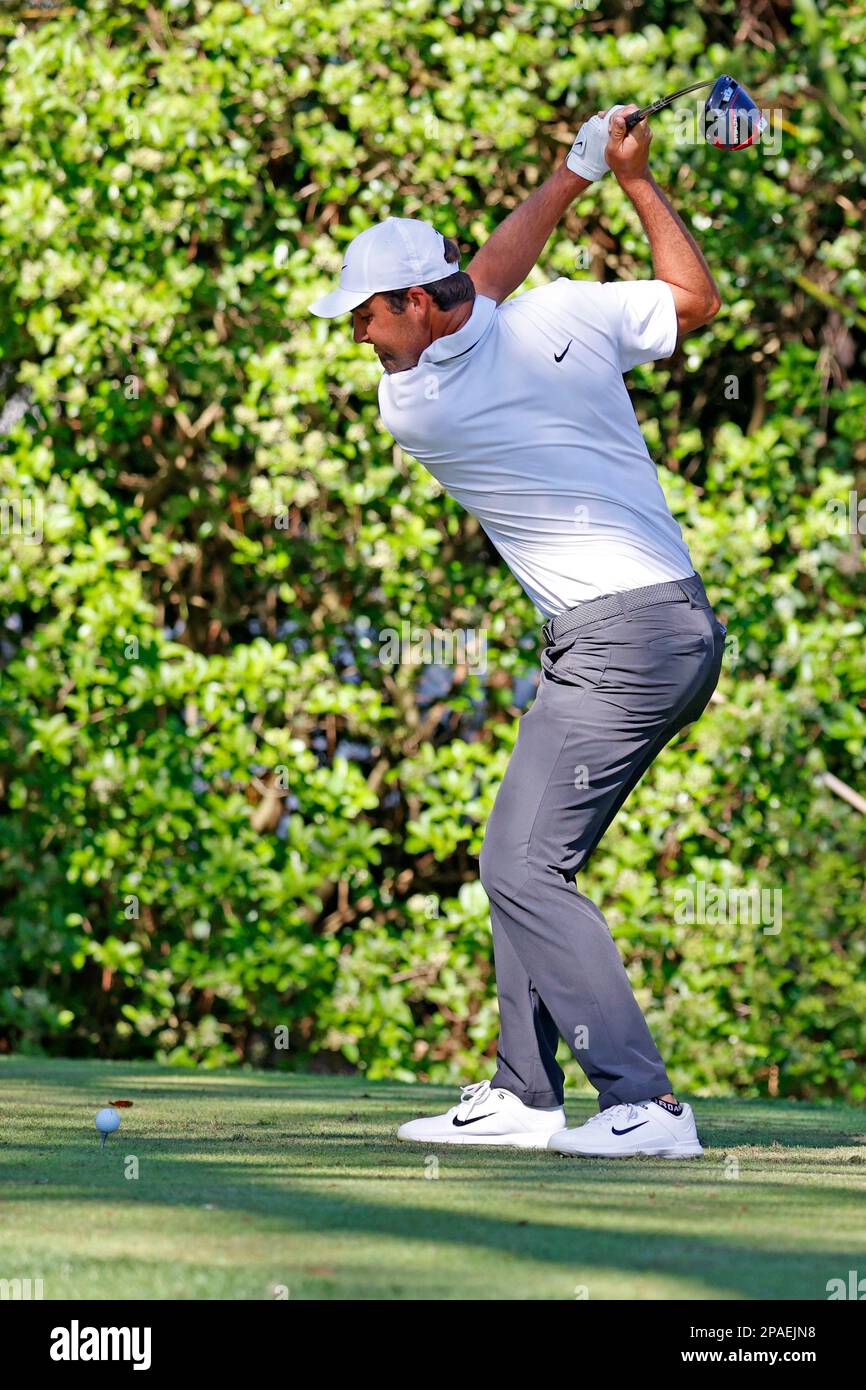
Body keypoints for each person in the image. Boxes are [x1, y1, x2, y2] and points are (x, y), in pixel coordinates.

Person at [309, 104, 725, 1159]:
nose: (358, 338)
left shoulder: (416, 403)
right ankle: (523, 1092)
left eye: (364, 317)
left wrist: (575, 176)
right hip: (654, 629)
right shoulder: (563, 314)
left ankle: (642, 1105)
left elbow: (482, 282)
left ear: (413, 305)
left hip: (620, 639)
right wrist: (612, 177)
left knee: (522, 867)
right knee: (525, 852)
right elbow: (692, 300)